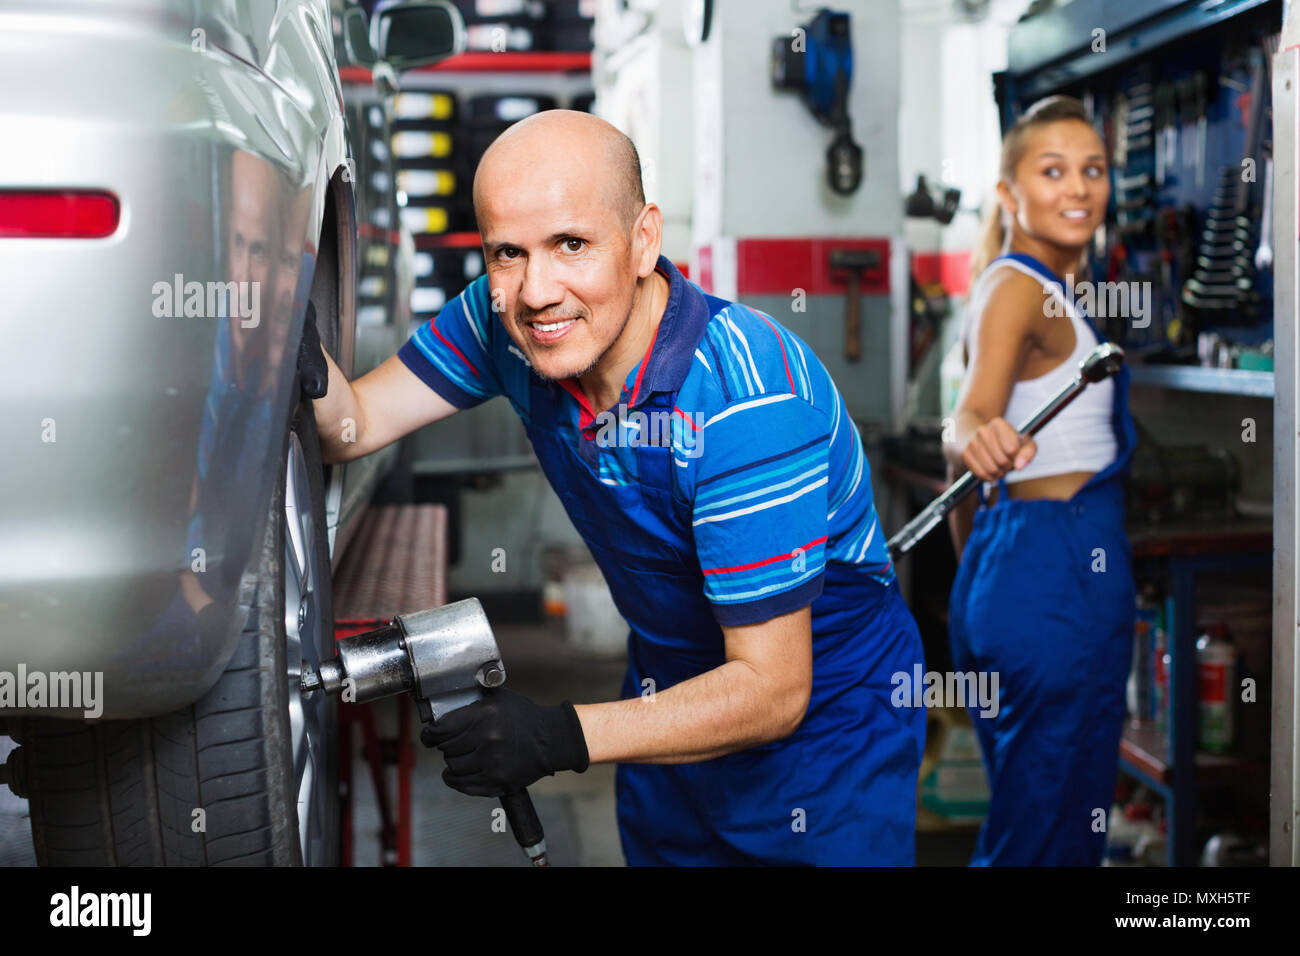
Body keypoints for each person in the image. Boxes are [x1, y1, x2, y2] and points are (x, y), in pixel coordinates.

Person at [305, 109, 925, 865]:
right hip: (665, 703)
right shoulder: (505, 326)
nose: (537, 291)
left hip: (823, 735)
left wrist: (560, 735)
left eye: (571, 244)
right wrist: (281, 330)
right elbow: (354, 424)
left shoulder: (746, 402)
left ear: (643, 241)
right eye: (507, 253)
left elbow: (773, 691)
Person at [943, 95, 1138, 866]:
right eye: (1051, 170)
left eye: (1093, 170)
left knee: (1035, 813)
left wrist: (991, 578)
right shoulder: (1021, 287)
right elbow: (969, 419)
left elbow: (961, 473)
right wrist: (975, 433)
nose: (1078, 188)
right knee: (1051, 828)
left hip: (1012, 565)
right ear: (1008, 193)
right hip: (1057, 575)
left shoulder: (1016, 285)